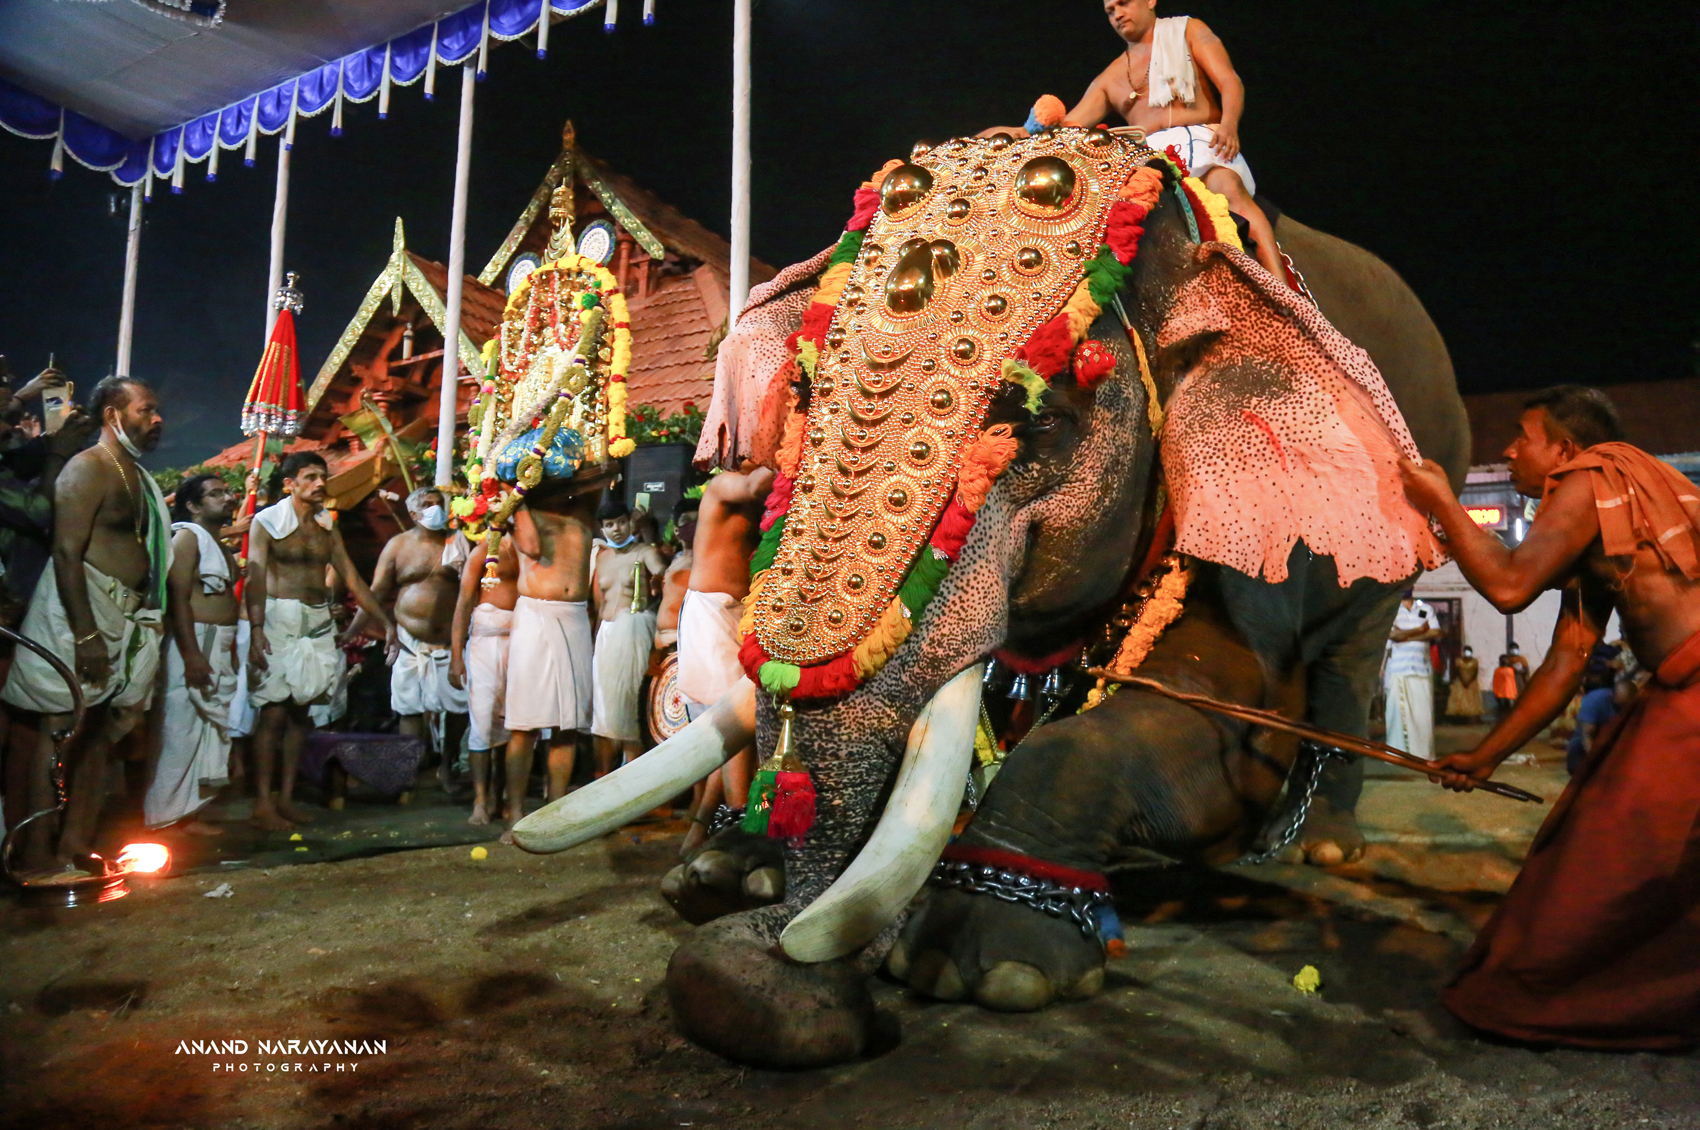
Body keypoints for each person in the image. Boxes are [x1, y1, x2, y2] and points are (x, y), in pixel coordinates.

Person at [1400, 384, 1700, 1050]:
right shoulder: (1605, 524)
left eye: (1522, 436)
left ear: (1564, 450)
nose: (1509, 451)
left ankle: (1557, 1001)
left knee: (1610, 852)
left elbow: (1509, 586)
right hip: (1679, 691)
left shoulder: (1590, 478)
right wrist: (1486, 756)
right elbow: (1566, 661)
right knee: (1592, 841)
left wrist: (1444, 502)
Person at [2, 377, 168, 869]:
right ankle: (38, 854)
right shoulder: (88, 467)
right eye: (146, 410)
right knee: (60, 732)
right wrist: (86, 633)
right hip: (83, 616)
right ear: (113, 414)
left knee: (97, 738)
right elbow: (66, 553)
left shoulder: (137, 474)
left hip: (125, 615)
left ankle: (74, 846)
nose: (157, 419)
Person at [1052, 0, 1287, 283]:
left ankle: (1282, 291)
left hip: (1205, 145)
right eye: (1110, 11)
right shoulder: (1110, 77)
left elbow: (1229, 81)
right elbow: (1066, 130)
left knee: (1228, 188)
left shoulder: (1188, 30)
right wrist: (1027, 129)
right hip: (1153, 165)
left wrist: (1229, 125)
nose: (1118, 15)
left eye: (1124, 3)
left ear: (1150, 1)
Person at [245, 452, 392, 831]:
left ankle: (286, 798)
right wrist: (257, 628)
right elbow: (255, 577)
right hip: (279, 619)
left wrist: (385, 623)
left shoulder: (326, 525)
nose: (320, 484)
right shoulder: (267, 521)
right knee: (273, 712)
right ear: (289, 484)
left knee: (302, 713)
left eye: (322, 476)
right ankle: (262, 802)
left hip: (317, 620)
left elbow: (353, 578)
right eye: (310, 477)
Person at [499, 478, 604, 841]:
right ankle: (515, 815)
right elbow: (530, 546)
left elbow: (604, 473)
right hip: (537, 618)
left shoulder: (581, 509)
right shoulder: (523, 510)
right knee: (525, 725)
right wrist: (515, 492)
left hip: (574, 617)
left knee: (568, 725)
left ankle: (555, 812)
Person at [678, 464, 772, 846]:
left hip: (746, 613)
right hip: (710, 610)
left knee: (742, 724)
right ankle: (735, 823)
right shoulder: (723, 485)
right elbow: (756, 484)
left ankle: (703, 830)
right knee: (733, 718)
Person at [144, 473, 240, 835]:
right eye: (215, 494)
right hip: (195, 643)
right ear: (192, 506)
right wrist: (192, 654)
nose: (227, 498)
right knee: (179, 730)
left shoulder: (217, 545)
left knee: (204, 731)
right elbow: (178, 599)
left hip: (218, 642)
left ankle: (190, 814)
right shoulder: (187, 538)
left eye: (226, 492)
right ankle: (164, 818)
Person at [352, 486, 469, 783]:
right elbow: (376, 591)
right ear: (413, 513)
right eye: (428, 504)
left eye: (439, 503)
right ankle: (409, 770)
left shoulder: (459, 541)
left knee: (459, 705)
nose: (436, 508)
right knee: (409, 707)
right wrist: (352, 630)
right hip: (409, 640)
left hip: (451, 640)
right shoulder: (398, 545)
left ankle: (449, 763)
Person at [590, 494, 665, 776]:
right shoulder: (601, 558)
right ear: (603, 529)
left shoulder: (644, 552)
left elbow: (664, 578)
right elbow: (598, 604)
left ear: (629, 523)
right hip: (606, 634)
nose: (616, 529)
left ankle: (633, 776)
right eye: (610, 525)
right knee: (603, 708)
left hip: (633, 630)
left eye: (621, 522)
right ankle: (603, 775)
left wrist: (656, 579)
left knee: (629, 705)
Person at [449, 532, 518, 826]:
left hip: (520, 641)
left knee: (513, 724)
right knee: (482, 722)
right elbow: (464, 602)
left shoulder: (529, 550)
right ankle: (480, 800)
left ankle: (502, 797)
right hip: (484, 645)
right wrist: (456, 655)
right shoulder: (482, 552)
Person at [1382, 591, 1441, 760]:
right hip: (1397, 669)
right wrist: (1420, 630)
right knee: (1396, 715)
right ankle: (1396, 754)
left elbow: (1435, 632)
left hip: (1421, 669)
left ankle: (1422, 755)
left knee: (1422, 715)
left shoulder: (1425, 609)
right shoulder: (1391, 610)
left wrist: (1405, 635)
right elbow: (1392, 635)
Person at [1565, 664, 1617, 777]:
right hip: (1590, 746)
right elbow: (1586, 735)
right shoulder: (1594, 699)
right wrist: (1594, 761)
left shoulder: (1625, 701)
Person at [1446, 645, 1484, 722]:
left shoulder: (1475, 661)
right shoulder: (1459, 661)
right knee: (1460, 698)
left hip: (1472, 682)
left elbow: (1475, 672)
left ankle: (1472, 718)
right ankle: (1460, 719)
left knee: (1472, 700)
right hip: (1460, 682)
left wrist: (1470, 681)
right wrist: (1463, 681)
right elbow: (1457, 671)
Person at [1492, 652, 1519, 721]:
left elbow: (1514, 681)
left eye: (1506, 659)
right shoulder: (1497, 670)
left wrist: (1515, 692)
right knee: (1502, 708)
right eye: (1502, 660)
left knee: (1510, 709)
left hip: (1510, 693)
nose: (1504, 661)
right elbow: (1495, 682)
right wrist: (1495, 692)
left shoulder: (1511, 670)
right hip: (1500, 693)